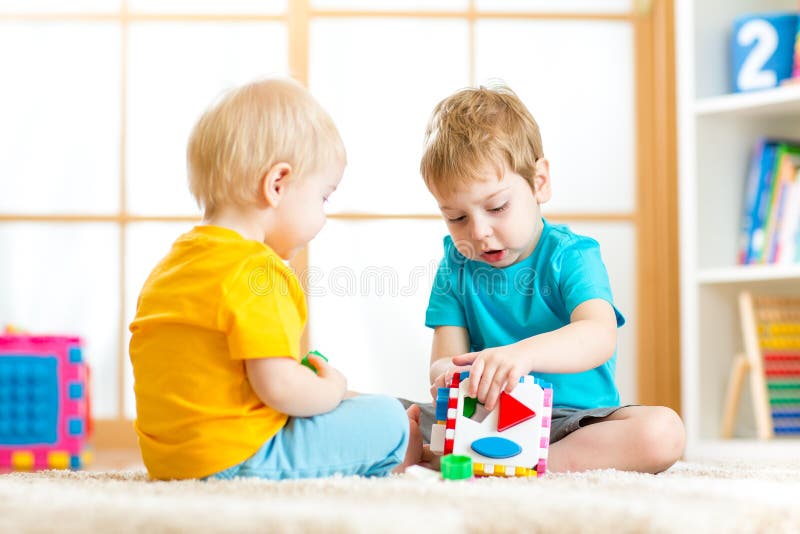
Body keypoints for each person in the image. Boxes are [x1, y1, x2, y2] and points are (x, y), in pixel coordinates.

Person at [129, 78, 422, 481]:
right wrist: (333, 388)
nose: (323, 216)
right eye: (323, 197)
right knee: (387, 416)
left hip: (170, 462)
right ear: (277, 184)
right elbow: (280, 388)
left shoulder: (171, 267)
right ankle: (399, 450)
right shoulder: (257, 271)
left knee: (352, 407)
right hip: (237, 458)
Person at [410, 83, 685, 474]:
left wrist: (522, 355)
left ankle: (533, 464)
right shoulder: (455, 265)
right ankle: (476, 456)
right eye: (457, 217)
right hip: (484, 419)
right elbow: (443, 362)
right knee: (382, 414)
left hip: (569, 422)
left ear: (539, 182)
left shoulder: (572, 255)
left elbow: (599, 335)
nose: (479, 232)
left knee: (662, 431)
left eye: (497, 207)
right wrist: (452, 377)